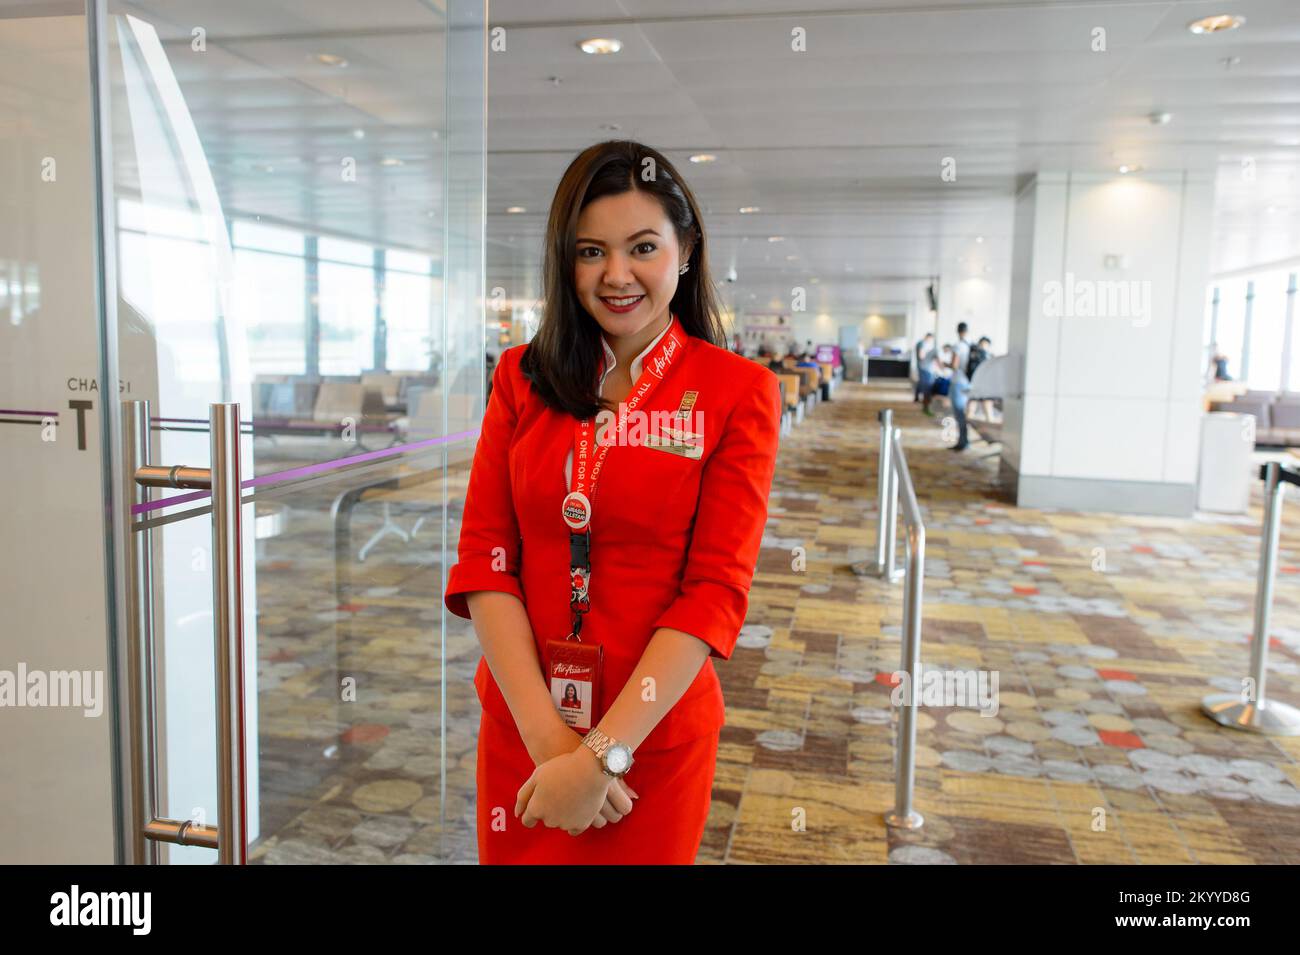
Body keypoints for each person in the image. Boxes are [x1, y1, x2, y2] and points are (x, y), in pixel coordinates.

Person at [443, 140, 782, 865]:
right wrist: (552, 747)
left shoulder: (735, 393)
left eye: (643, 247)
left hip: (651, 740)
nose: (616, 275)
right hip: (525, 729)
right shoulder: (521, 378)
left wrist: (600, 758)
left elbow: (713, 594)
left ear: (686, 251)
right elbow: (485, 563)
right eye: (591, 250)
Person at [947, 323, 973, 451]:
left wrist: (945, 364)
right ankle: (964, 440)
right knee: (963, 412)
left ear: (958, 331)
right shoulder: (971, 345)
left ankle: (963, 441)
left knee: (959, 413)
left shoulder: (958, 346)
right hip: (968, 383)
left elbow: (954, 365)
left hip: (958, 382)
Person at [914, 332, 935, 403]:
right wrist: (929, 356)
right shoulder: (922, 344)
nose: (930, 340)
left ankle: (917, 397)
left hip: (922, 366)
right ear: (928, 337)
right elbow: (921, 356)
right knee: (925, 383)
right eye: (931, 339)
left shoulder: (921, 343)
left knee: (921, 382)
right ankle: (925, 399)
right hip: (923, 366)